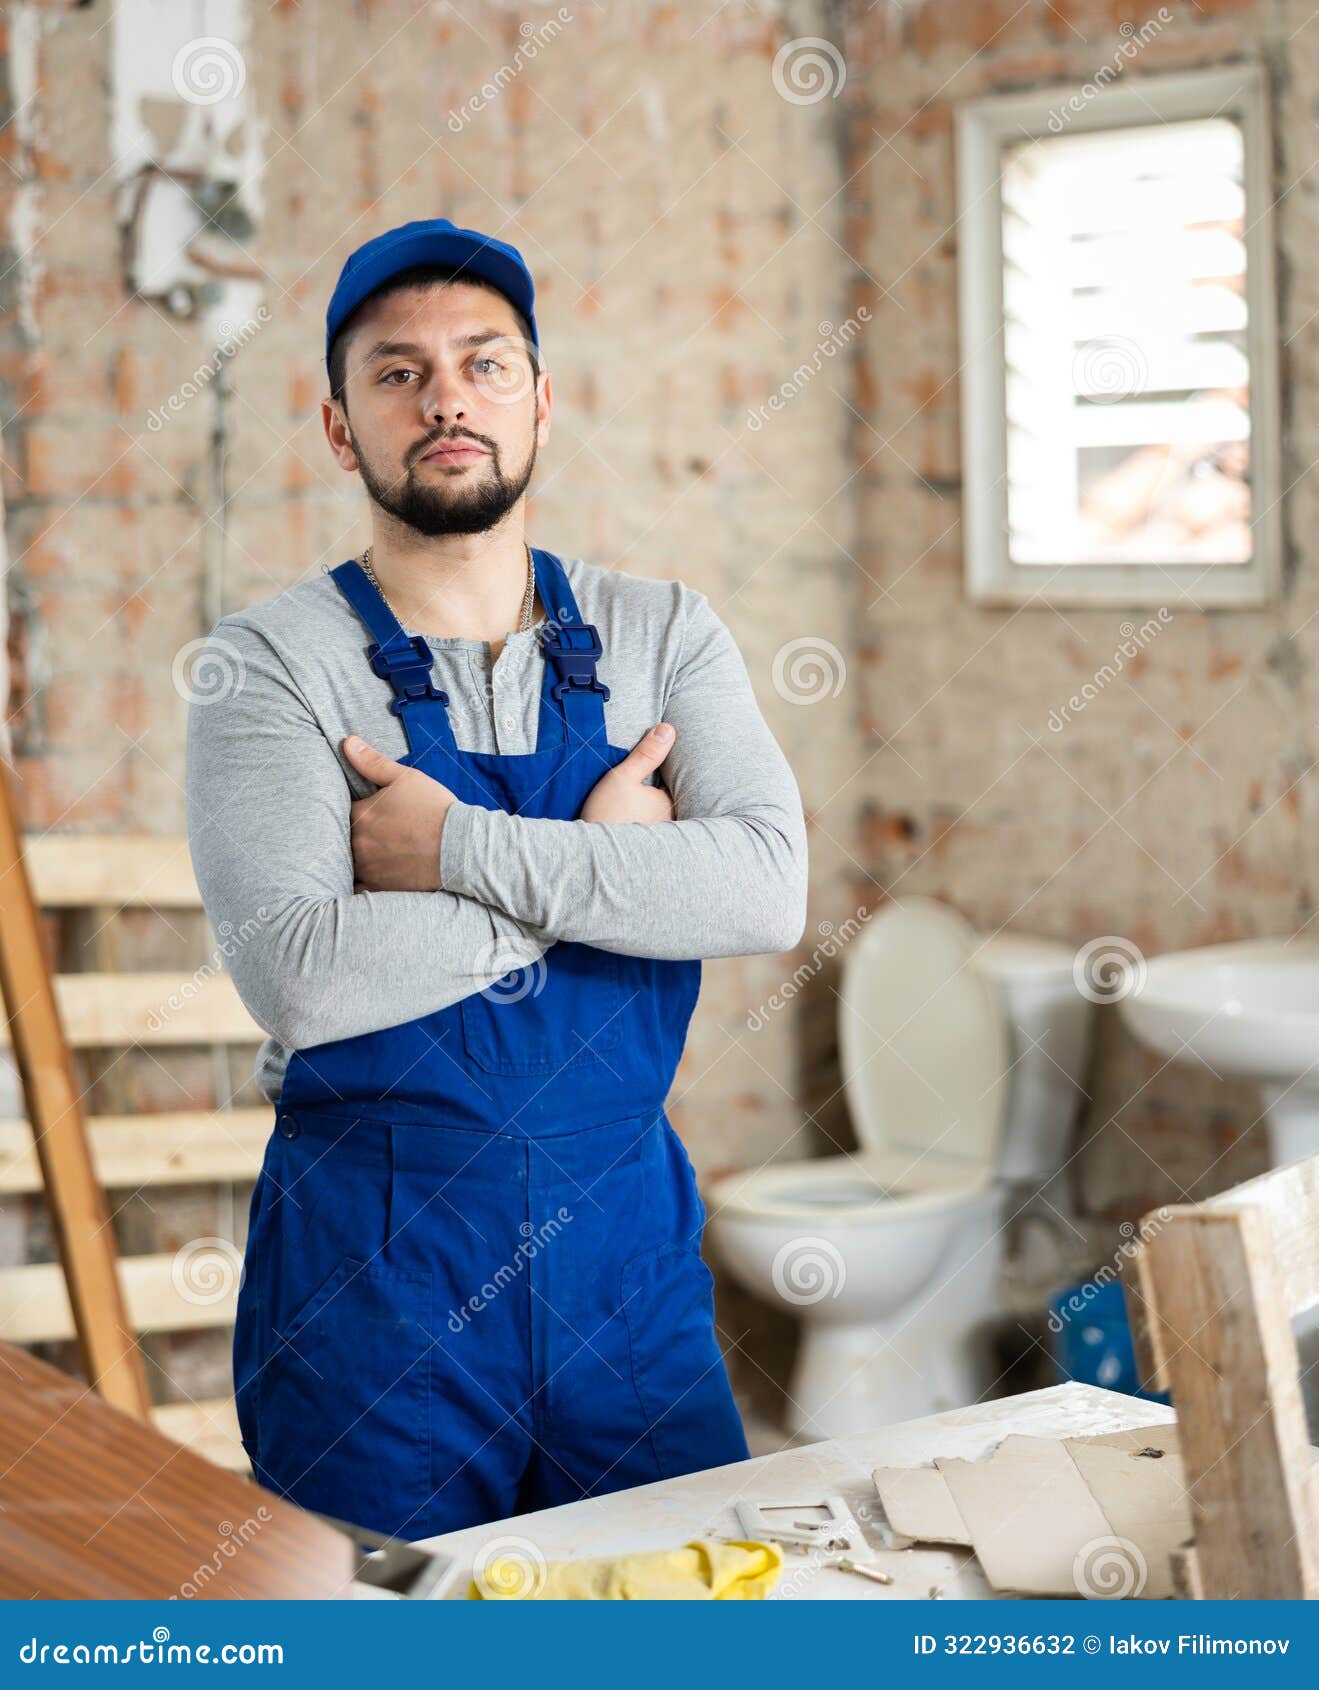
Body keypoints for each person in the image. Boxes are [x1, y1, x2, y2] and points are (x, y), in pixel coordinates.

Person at [184, 216, 809, 1540]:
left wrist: (452, 848)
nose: (446, 396)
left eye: (485, 361)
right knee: (379, 1652)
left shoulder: (665, 631)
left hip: (626, 1274)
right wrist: (616, 867)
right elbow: (301, 971)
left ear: (541, 404)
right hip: (374, 1293)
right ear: (341, 427)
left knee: (687, 1629)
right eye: (398, 371)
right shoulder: (266, 665)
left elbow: (762, 889)